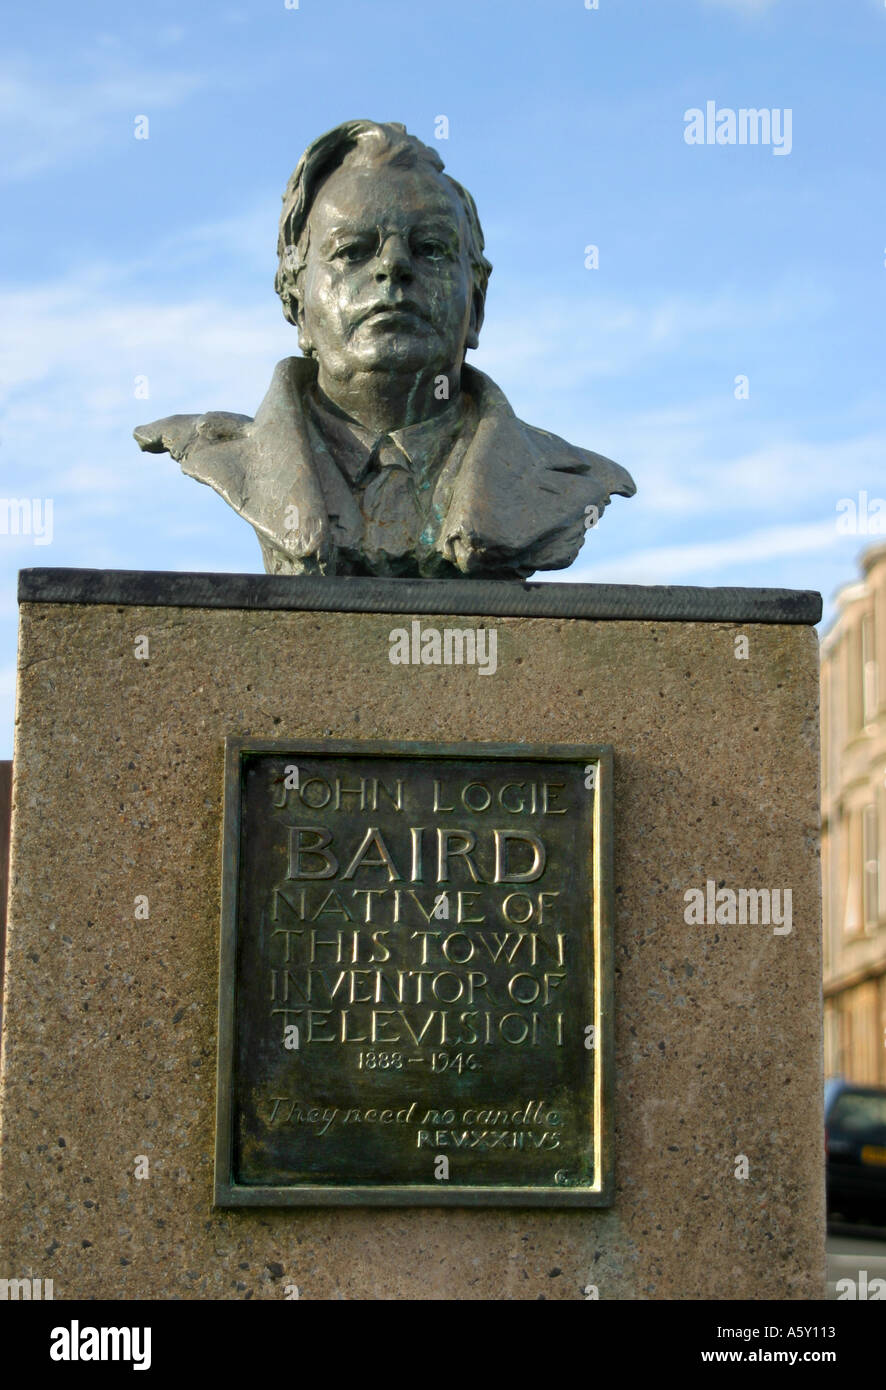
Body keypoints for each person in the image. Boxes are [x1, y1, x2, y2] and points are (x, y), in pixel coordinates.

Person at [135, 120, 635, 579]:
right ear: (295, 302)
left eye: (431, 248)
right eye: (352, 250)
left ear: (476, 302)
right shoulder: (215, 452)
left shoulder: (576, 480)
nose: (393, 268)